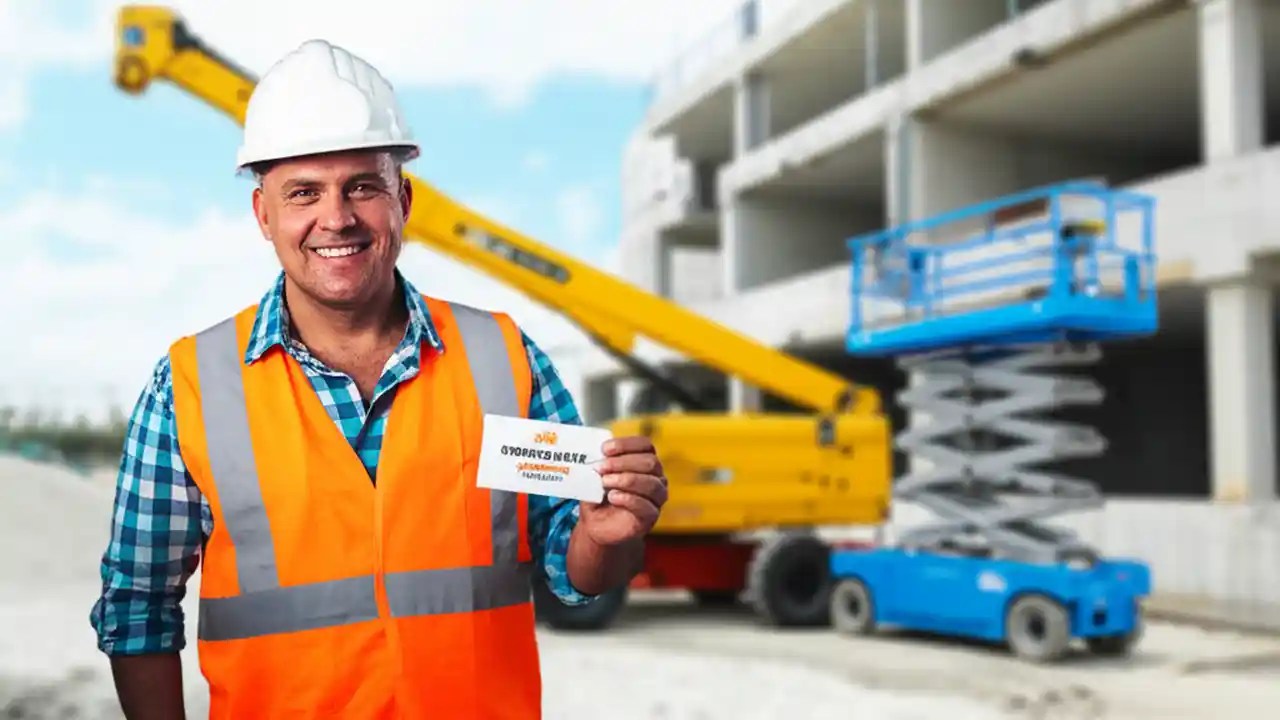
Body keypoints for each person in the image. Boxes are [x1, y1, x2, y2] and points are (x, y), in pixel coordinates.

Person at [89, 38, 668, 719]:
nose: (336, 218)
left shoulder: (504, 357)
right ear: (264, 216)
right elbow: (138, 610)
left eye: (362, 186)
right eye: (304, 192)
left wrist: (606, 541)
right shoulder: (189, 386)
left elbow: (580, 575)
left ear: (405, 201)